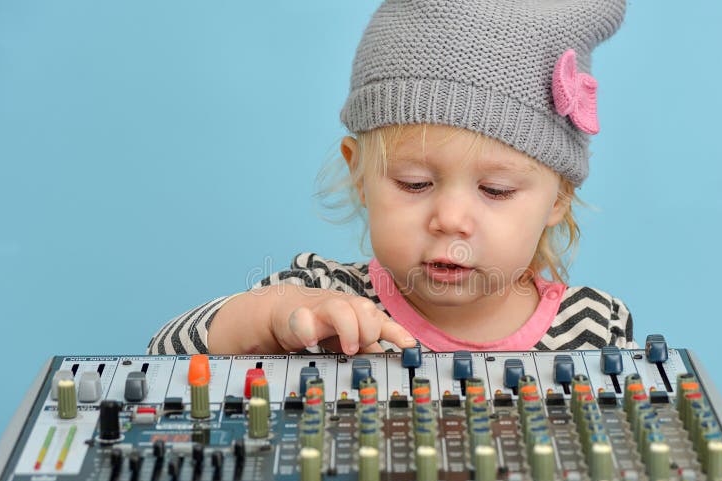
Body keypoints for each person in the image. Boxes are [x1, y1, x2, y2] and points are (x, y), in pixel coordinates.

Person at [148, 0, 637, 357]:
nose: (450, 219)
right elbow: (163, 351)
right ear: (359, 175)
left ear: (559, 198)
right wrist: (272, 319)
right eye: (414, 183)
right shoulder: (325, 299)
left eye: (496, 190)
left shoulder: (595, 329)